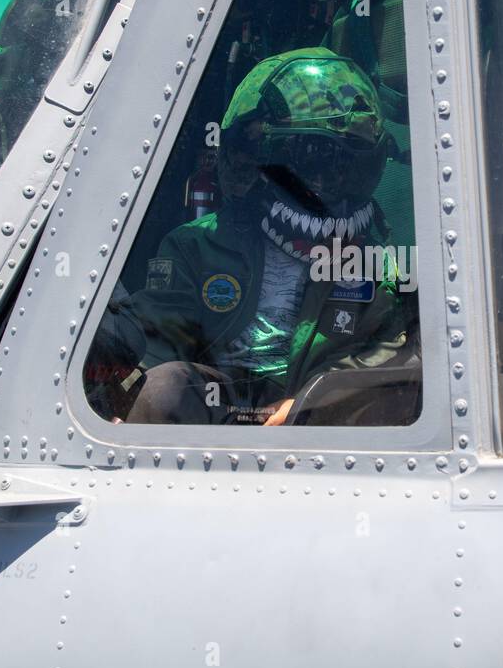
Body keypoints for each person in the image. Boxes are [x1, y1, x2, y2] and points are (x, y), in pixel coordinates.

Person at [97, 47, 411, 426]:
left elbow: (386, 352)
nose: (326, 180)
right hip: (220, 412)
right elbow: (158, 336)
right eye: (311, 161)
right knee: (164, 389)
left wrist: (308, 403)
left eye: (335, 162)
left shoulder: (374, 265)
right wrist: (126, 401)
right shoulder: (196, 245)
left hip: (323, 420)